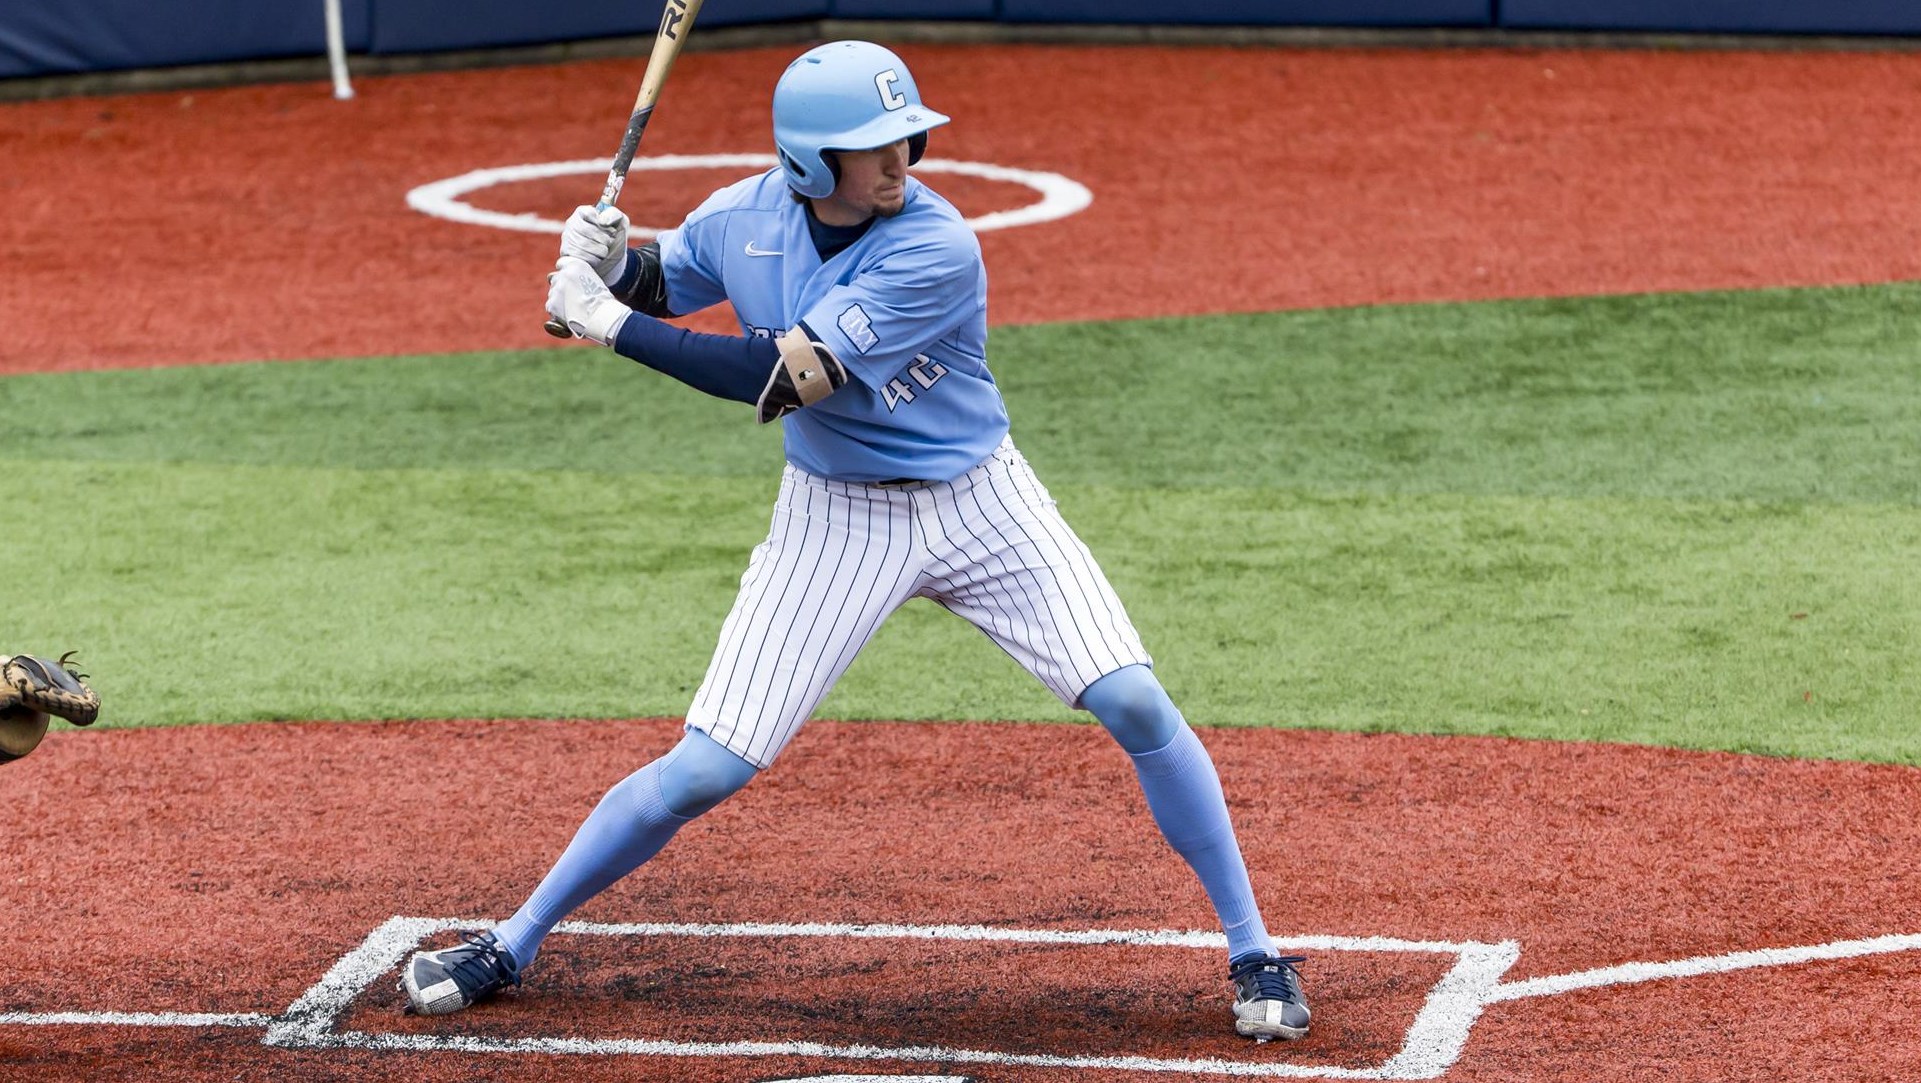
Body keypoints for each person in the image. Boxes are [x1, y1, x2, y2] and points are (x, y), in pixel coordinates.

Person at [399, 39, 1310, 1043]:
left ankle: (1254, 950)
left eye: (905, 138)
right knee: (706, 766)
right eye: (870, 147)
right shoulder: (739, 214)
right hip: (836, 516)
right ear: (805, 162)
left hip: (979, 501)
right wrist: (620, 265)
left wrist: (605, 323)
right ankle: (510, 942)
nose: (899, 160)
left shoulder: (935, 245)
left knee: (1133, 694)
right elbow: (674, 280)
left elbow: (780, 376)